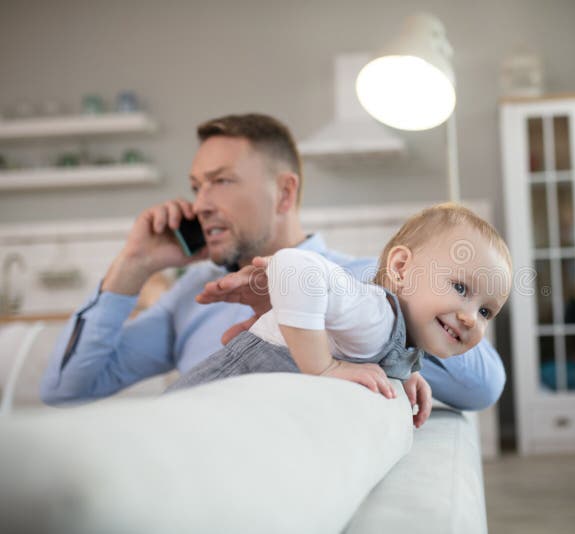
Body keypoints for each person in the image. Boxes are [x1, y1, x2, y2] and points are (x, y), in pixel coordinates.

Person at [40, 114, 507, 411]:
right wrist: (132, 267)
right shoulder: (193, 294)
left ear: (285, 192)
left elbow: (484, 386)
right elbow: (67, 390)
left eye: (220, 182)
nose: (199, 203)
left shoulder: (365, 278)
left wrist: (324, 313)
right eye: (196, 185)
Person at [167, 204, 512, 428]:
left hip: (233, 413)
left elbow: (366, 351)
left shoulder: (399, 339)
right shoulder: (374, 312)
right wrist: (324, 368)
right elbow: (292, 266)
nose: (470, 318)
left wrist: (403, 375)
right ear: (400, 267)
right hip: (204, 400)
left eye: (485, 311)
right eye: (460, 288)